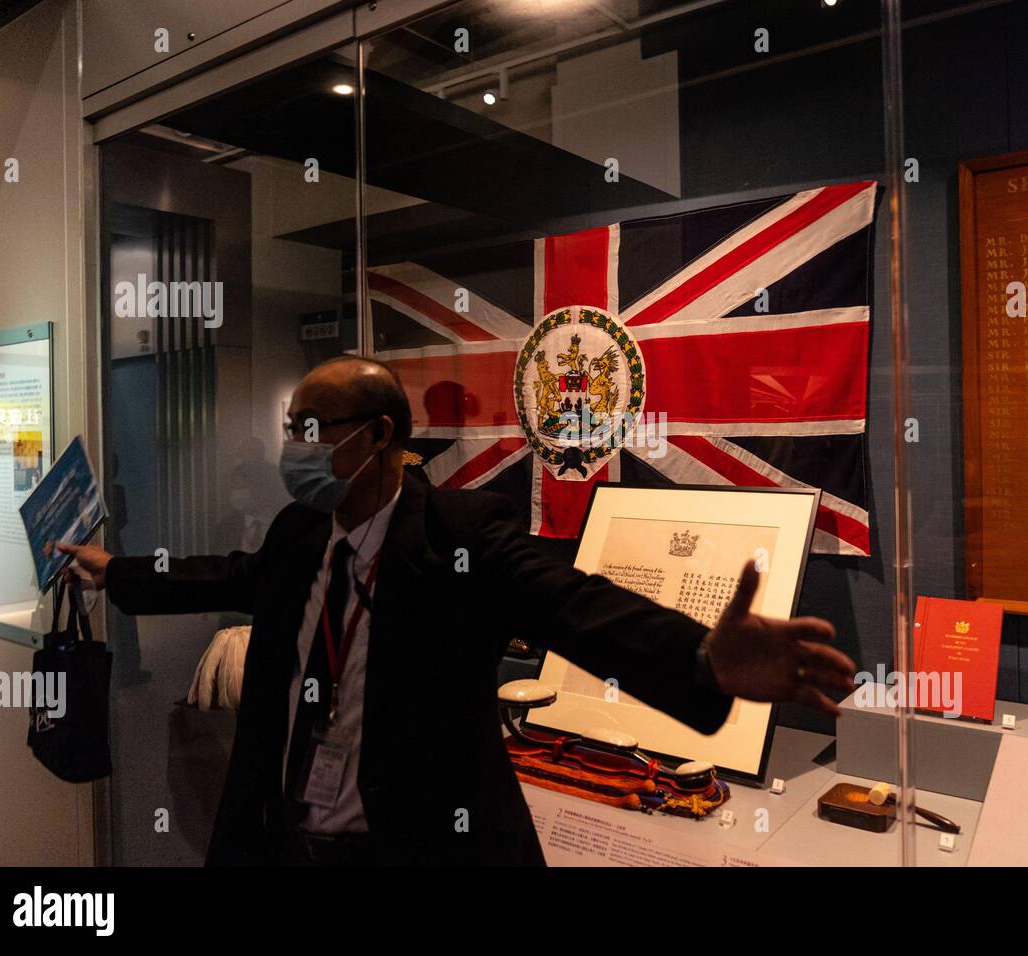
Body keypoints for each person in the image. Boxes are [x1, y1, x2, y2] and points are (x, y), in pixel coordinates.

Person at [61, 356, 856, 866]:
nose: (294, 448)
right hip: (283, 843)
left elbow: (570, 605)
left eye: (312, 430)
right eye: (290, 430)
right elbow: (234, 576)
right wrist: (118, 572)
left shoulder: (459, 537)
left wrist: (703, 661)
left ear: (377, 437)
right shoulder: (301, 531)